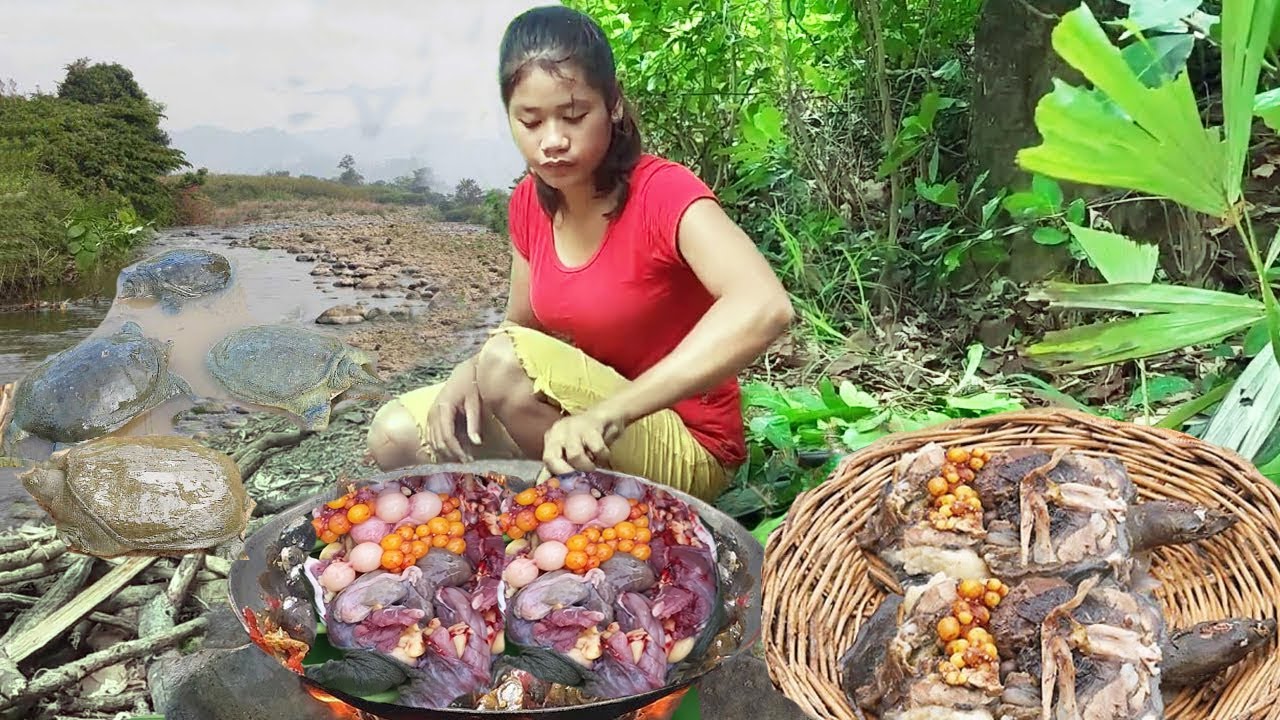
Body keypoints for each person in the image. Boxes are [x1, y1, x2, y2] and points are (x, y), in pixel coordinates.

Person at [365, 4, 793, 503]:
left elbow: (765, 306)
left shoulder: (664, 192)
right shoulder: (528, 202)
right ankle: (543, 511)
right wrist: (466, 374)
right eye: (530, 121)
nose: (552, 141)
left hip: (683, 439)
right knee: (394, 434)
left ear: (612, 103)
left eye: (573, 116)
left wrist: (613, 411)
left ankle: (565, 514)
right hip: (574, 416)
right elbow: (520, 327)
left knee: (503, 366)